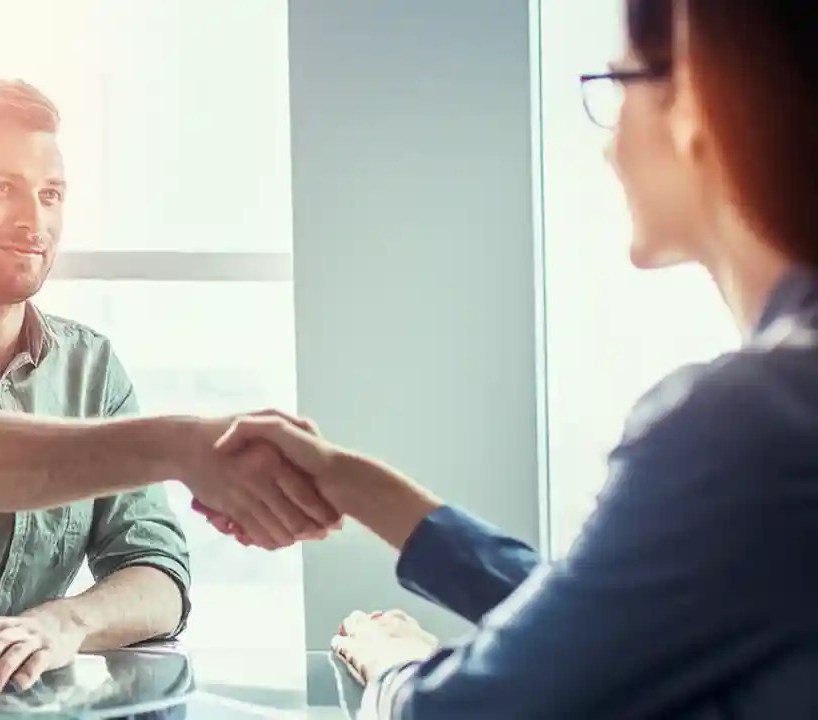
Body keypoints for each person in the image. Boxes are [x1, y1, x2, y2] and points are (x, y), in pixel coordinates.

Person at [205, 0, 818, 717]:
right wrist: (352, 484)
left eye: (616, 86)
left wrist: (393, 664)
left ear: (696, 100)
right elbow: (609, 617)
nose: (608, 142)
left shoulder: (746, 420)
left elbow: (464, 713)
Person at [0, 79, 340, 695]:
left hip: (18, 709)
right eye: (1, 188)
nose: (32, 219)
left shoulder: (92, 365)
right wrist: (181, 445)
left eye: (51, 194)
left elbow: (158, 574)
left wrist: (63, 623)